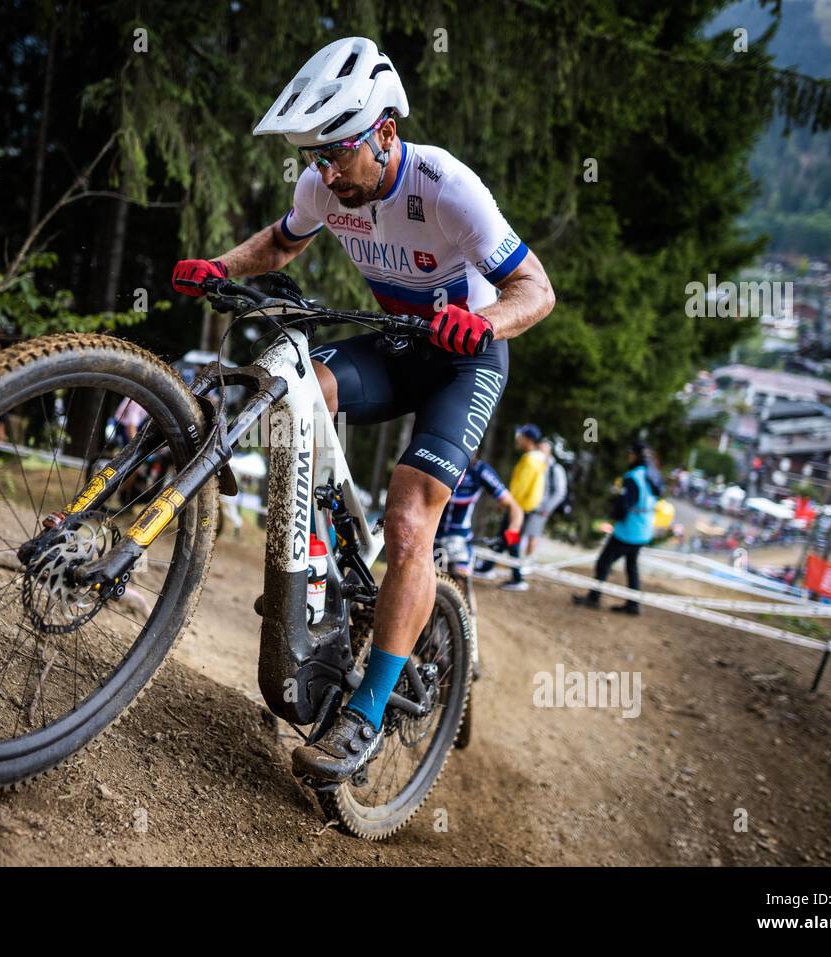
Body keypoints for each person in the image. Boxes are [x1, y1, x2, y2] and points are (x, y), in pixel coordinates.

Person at [171, 37, 555, 781]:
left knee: (411, 519)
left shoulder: (447, 186)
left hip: (466, 360)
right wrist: (220, 268)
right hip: (398, 345)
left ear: (384, 131)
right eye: (315, 156)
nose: (325, 171)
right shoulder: (326, 185)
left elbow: (535, 290)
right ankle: (314, 570)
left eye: (338, 153)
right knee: (297, 390)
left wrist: (485, 323)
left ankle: (366, 716)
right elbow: (280, 246)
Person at [573, 440, 664, 615]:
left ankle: (594, 597)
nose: (628, 456)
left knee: (604, 562)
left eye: (631, 453)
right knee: (632, 566)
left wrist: (613, 515)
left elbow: (624, 505)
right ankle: (633, 604)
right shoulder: (652, 474)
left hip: (629, 529)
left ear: (636, 456)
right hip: (644, 528)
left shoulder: (633, 477)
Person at [435, 458, 521, 620]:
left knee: (462, 584)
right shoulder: (439, 456)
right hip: (431, 535)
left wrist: (510, 537)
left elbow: (515, 508)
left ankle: (469, 633)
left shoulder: (479, 470)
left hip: (459, 539)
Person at [500, 423, 547, 591]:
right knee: (505, 537)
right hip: (521, 507)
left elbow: (521, 487)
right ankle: (489, 566)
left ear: (528, 439)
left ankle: (517, 577)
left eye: (520, 436)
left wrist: (508, 503)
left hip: (518, 508)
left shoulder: (530, 461)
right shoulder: (536, 460)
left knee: (511, 539)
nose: (517, 439)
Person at [521, 437, 567, 562]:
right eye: (539, 448)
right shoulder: (534, 463)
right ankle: (510, 555)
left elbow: (560, 492)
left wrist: (546, 508)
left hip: (540, 508)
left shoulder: (555, 469)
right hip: (525, 505)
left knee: (532, 535)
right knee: (515, 530)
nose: (540, 451)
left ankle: (527, 561)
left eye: (543, 448)